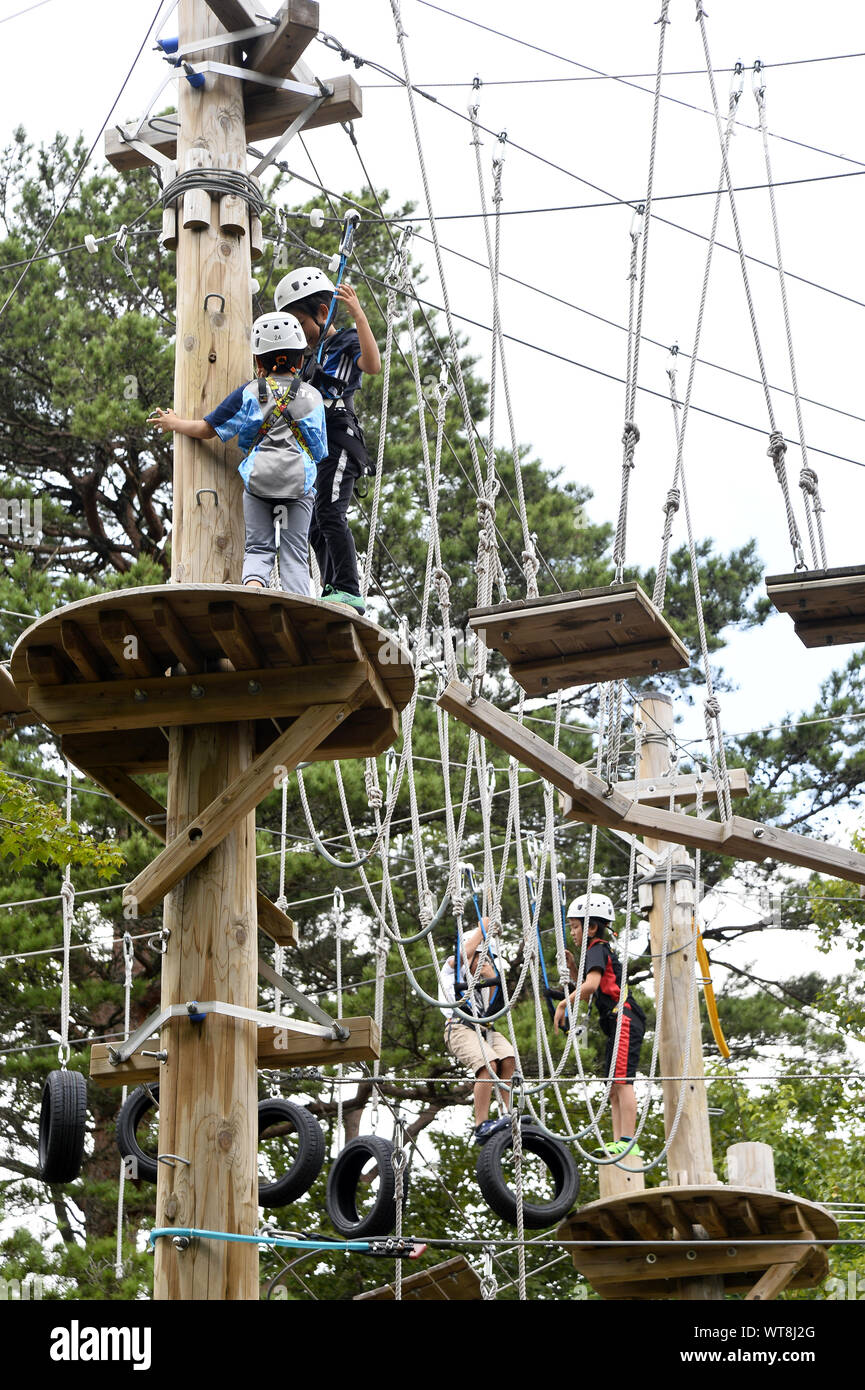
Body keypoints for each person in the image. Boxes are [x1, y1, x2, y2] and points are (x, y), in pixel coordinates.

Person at [149, 312, 326, 595]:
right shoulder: (313, 397)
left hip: (259, 482)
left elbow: (208, 428)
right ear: (300, 360)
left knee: (258, 547)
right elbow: (318, 450)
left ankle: (254, 589)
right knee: (294, 551)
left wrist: (175, 423)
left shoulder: (250, 392)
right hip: (298, 484)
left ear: (258, 362)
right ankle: (299, 603)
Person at [273, 265, 381, 615]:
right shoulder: (306, 363)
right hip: (316, 446)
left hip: (339, 436)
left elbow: (373, 364)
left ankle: (349, 588)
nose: (300, 335)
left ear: (322, 314)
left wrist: (359, 315)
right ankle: (331, 586)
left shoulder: (345, 341)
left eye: (301, 326)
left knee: (332, 511)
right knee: (316, 522)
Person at [553, 891, 646, 1156]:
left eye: (575, 926)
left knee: (622, 1081)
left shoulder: (597, 948)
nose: (572, 932)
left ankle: (628, 1140)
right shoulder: (598, 952)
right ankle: (620, 1140)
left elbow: (591, 986)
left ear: (592, 927)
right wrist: (573, 968)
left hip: (624, 1018)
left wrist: (563, 1004)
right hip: (617, 1021)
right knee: (613, 1083)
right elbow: (592, 986)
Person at [440, 919, 516, 1143]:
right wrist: (483, 927)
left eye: (487, 958)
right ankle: (481, 1123)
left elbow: (495, 1008)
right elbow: (462, 955)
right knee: (488, 1064)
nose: (483, 962)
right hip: (459, 1027)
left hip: (484, 1029)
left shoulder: (484, 979)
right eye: (479, 957)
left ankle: (508, 1114)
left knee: (509, 1058)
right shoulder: (452, 972)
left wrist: (492, 977)